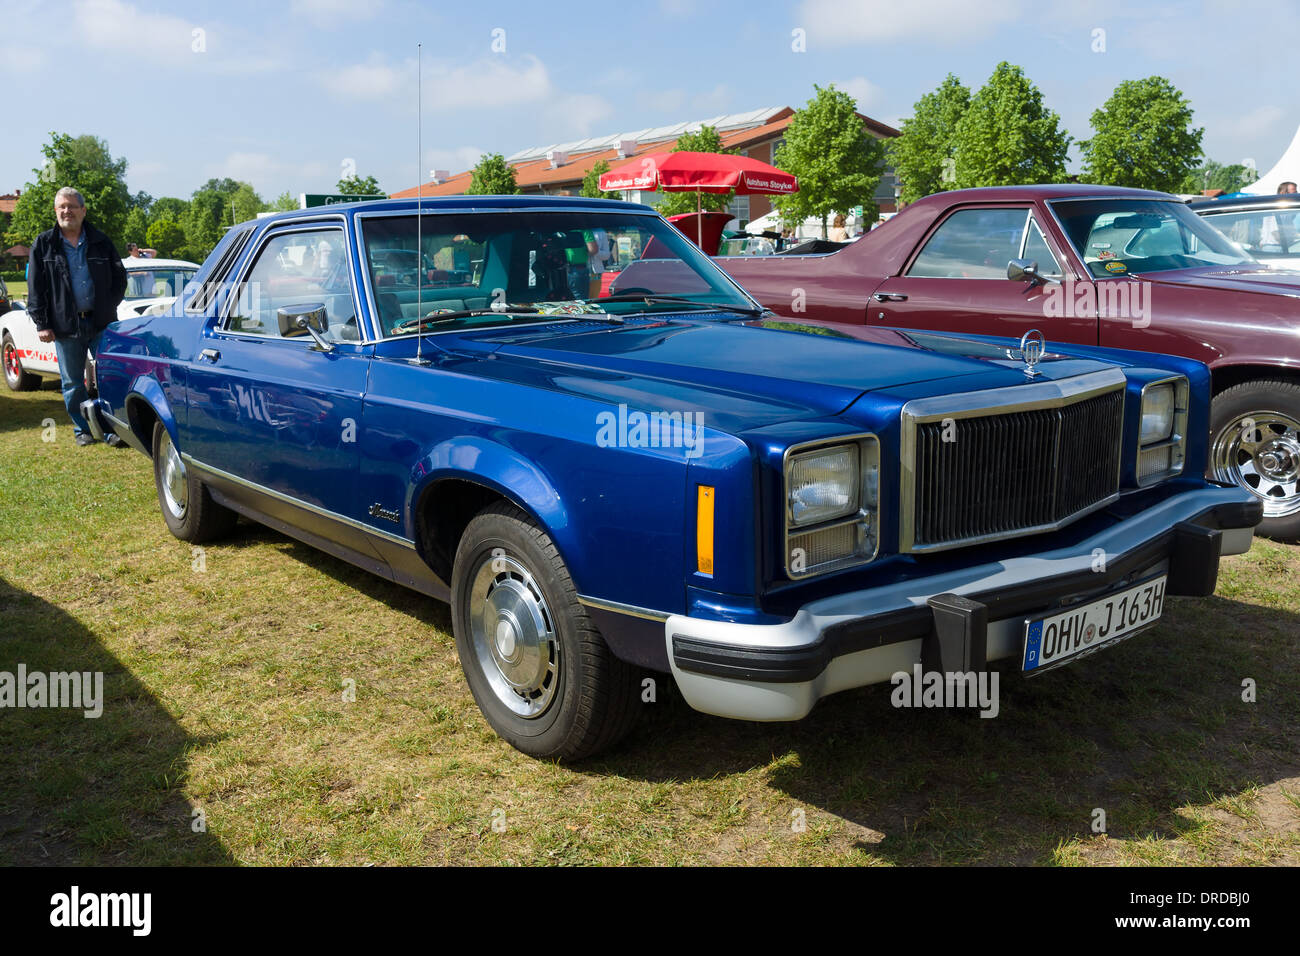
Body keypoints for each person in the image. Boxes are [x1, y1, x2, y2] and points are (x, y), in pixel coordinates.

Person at [27, 187, 127, 446]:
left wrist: (108, 305)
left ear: (83, 210)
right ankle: (82, 430)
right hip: (64, 326)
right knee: (73, 383)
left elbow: (119, 277)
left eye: (71, 206)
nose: (66, 211)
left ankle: (111, 430)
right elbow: (35, 286)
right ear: (55, 211)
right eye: (61, 206)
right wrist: (42, 323)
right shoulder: (44, 244)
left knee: (107, 378)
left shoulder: (101, 241)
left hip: (101, 323)